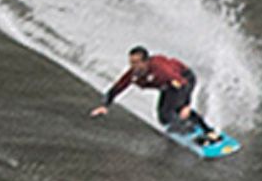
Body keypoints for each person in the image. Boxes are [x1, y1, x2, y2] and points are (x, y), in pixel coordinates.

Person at [92, 46, 221, 140]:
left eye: (137, 63)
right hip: (168, 86)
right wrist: (105, 105)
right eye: (131, 63)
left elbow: (183, 84)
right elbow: (118, 87)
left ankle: (205, 129)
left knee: (175, 111)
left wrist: (186, 105)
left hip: (184, 79)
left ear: (146, 62)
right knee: (164, 118)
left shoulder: (161, 71)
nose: (133, 66)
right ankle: (185, 124)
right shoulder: (133, 74)